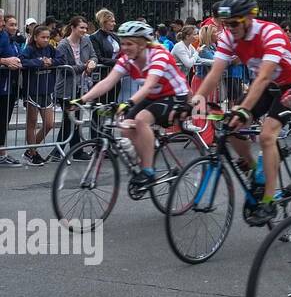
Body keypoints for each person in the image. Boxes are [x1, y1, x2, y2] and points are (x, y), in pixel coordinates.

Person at [189, 0, 291, 225]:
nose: (229, 28)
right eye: (226, 24)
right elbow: (215, 73)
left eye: (235, 23)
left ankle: (268, 200)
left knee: (267, 134)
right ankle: (256, 171)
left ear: (249, 19)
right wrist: (194, 102)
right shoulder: (228, 36)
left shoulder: (271, 32)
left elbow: (265, 75)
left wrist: (244, 110)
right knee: (231, 126)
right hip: (264, 84)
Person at [75, 22, 192, 188]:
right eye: (123, 43)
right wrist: (82, 100)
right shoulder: (127, 60)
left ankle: (148, 170)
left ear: (143, 44)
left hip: (176, 96)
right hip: (153, 96)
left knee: (141, 120)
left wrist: (128, 103)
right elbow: (108, 82)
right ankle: (143, 156)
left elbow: (149, 85)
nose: (125, 48)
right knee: (125, 127)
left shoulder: (159, 56)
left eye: (129, 44)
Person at [54, 15, 98, 154]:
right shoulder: (63, 45)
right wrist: (85, 66)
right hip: (66, 88)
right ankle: (72, 151)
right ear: (72, 27)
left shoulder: (86, 40)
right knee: (70, 119)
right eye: (81, 28)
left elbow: (94, 55)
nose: (84, 30)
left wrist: (93, 62)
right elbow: (65, 68)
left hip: (81, 86)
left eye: (86, 28)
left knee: (73, 119)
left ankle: (63, 151)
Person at [20, 25, 58, 165]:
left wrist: (52, 61)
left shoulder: (50, 49)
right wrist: (39, 62)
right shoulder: (29, 49)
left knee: (49, 124)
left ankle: (30, 150)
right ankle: (33, 153)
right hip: (32, 90)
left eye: (48, 37)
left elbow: (62, 59)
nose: (46, 40)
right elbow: (22, 61)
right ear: (35, 37)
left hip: (47, 90)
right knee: (32, 122)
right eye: (43, 37)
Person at [0, 14, 22, 166]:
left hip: (8, 85)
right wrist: (4, 61)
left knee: (3, 120)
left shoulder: (6, 37)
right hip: (3, 85)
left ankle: (2, 152)